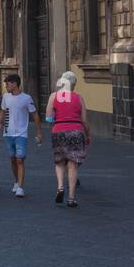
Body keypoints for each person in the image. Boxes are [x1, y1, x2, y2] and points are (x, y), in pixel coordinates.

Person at [46, 72, 90, 208]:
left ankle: (60, 186)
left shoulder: (53, 96)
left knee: (59, 161)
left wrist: (56, 118)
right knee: (73, 165)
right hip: (76, 131)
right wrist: (88, 134)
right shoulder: (79, 98)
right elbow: (84, 120)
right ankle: (71, 198)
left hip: (58, 130)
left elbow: (48, 118)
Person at [0, 73, 42, 198]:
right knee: (12, 158)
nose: (6, 86)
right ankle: (17, 181)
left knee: (20, 159)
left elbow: (34, 115)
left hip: (21, 134)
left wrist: (39, 131)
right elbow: (3, 111)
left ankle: (20, 188)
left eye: (7, 84)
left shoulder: (26, 98)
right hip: (8, 133)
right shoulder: (6, 97)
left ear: (14, 84)